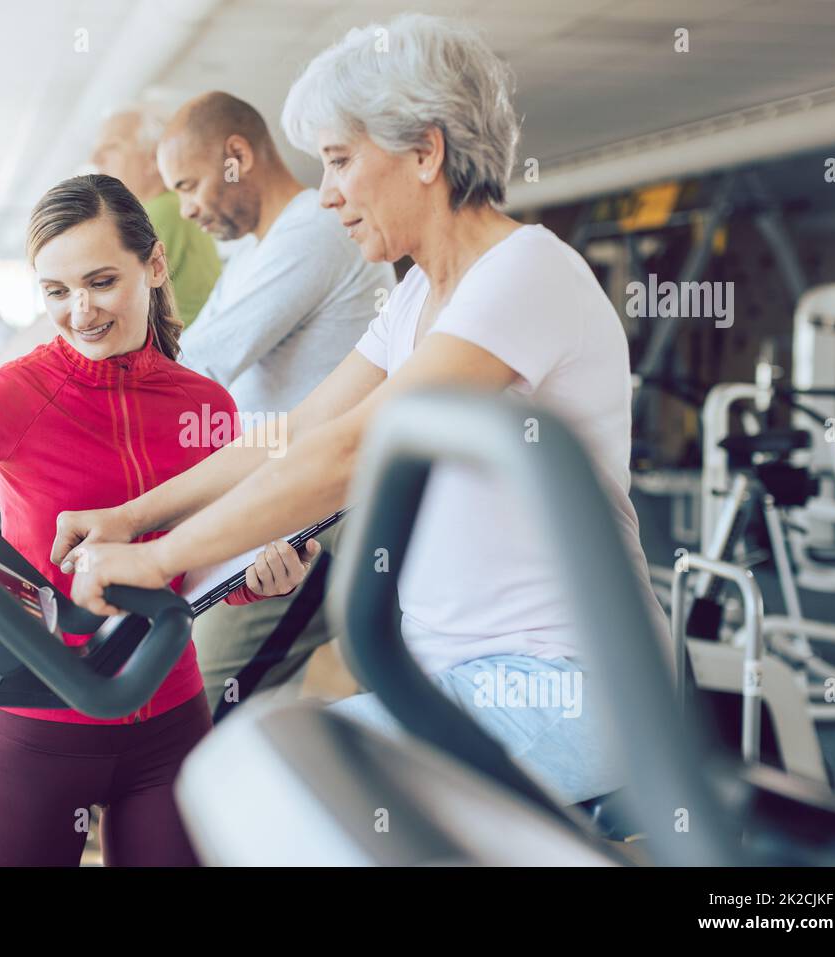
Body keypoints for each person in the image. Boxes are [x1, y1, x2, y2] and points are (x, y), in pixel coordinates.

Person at [51, 15, 671, 807]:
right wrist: (130, 517)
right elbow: (297, 430)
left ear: (425, 151)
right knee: (260, 767)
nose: (327, 192)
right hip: (454, 679)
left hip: (571, 687)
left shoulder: (526, 273)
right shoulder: (419, 294)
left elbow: (350, 452)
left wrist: (158, 562)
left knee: (269, 785)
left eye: (341, 160)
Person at [0, 174, 315, 866]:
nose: (80, 310)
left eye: (101, 282)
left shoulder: (205, 404)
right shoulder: (19, 392)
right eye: (57, 291)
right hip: (39, 725)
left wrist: (262, 575)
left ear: (153, 267)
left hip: (169, 719)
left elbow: (211, 559)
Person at [154, 90, 396, 717]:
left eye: (189, 185)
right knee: (191, 698)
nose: (186, 210)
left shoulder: (314, 230)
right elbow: (189, 358)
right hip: (270, 499)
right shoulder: (248, 256)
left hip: (321, 519)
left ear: (236, 155)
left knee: (193, 705)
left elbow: (195, 368)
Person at [91, 105, 221, 328]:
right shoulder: (171, 206)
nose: (95, 159)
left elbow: (96, 297)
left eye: (112, 147)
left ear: (153, 160)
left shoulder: (160, 213)